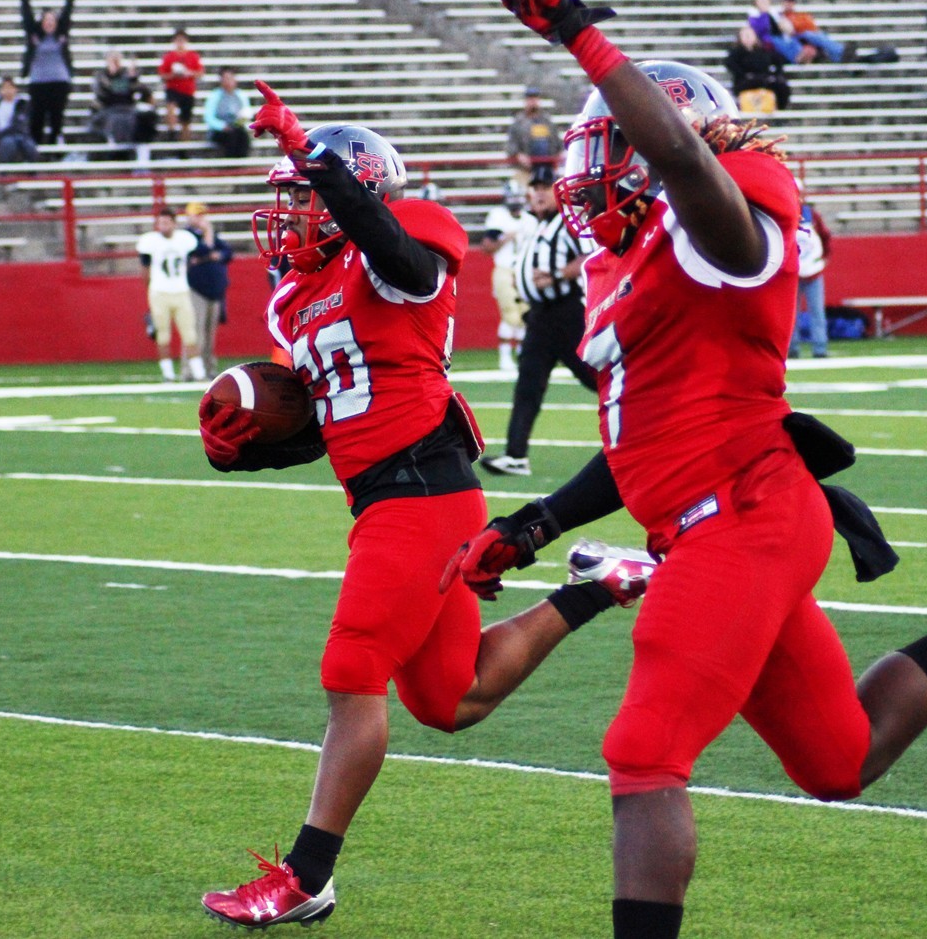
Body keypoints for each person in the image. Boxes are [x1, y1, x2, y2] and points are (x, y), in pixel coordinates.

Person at [466, 0, 927, 939]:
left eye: (611, 144)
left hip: (741, 517)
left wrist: (582, 33)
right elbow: (644, 443)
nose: (585, 168)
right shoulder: (624, 265)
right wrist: (531, 523)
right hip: (710, 515)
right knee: (840, 758)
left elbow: (691, 167)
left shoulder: (723, 228)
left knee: (642, 744)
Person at [197, 86, 639, 927]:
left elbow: (400, 259)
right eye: (286, 196)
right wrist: (246, 447)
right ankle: (597, 582)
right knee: (450, 695)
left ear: (346, 191)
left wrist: (316, 158)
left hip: (422, 490)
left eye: (301, 196)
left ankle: (305, 875)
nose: (287, 214)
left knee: (351, 669)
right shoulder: (293, 297)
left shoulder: (404, 246)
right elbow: (329, 423)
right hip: (390, 495)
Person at [481, 167, 598, 477]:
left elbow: (591, 256)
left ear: (557, 191)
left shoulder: (568, 223)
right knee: (527, 386)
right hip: (541, 316)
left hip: (565, 313)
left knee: (597, 377)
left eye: (546, 186)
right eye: (535, 187)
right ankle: (515, 455)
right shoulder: (535, 225)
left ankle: (645, 423)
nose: (539, 192)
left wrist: (558, 276)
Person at [136, 208, 204, 382]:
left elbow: (193, 259)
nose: (163, 226)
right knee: (162, 335)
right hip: (159, 292)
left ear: (174, 223)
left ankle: (199, 373)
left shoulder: (185, 239)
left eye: (166, 222)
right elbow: (145, 268)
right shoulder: (150, 241)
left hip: (181, 291)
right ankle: (168, 374)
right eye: (160, 223)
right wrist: (150, 289)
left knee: (190, 334)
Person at [481, 179, 536, 371]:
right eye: (512, 196)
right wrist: (505, 238)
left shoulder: (531, 219)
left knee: (524, 315)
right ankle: (505, 357)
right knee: (510, 314)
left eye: (518, 196)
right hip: (505, 269)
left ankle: (522, 354)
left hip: (525, 271)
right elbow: (487, 246)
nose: (515, 201)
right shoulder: (498, 216)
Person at [17, 0, 76, 146]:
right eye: (46, 20)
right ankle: (36, 146)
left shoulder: (61, 34)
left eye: (52, 20)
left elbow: (67, 13)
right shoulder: (34, 35)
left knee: (57, 114)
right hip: (38, 80)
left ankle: (55, 143)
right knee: (38, 115)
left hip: (59, 80)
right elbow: (26, 16)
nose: (50, 23)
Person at [184, 202, 233, 378]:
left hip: (215, 290)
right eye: (197, 215)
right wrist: (208, 235)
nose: (201, 219)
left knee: (209, 335)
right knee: (195, 333)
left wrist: (210, 254)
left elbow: (227, 252)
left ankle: (208, 369)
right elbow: (204, 248)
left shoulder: (208, 235)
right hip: (196, 289)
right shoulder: (187, 235)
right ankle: (190, 371)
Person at [791, 182, 831, 359]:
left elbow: (824, 235)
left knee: (817, 311)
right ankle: (791, 348)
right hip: (792, 272)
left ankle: (820, 348)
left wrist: (824, 257)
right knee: (791, 314)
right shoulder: (784, 212)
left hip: (812, 270)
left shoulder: (812, 215)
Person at [725, 24, 791, 113]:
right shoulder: (735, 53)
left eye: (750, 35)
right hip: (744, 81)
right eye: (745, 35)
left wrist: (775, 74)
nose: (748, 38)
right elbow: (731, 65)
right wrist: (744, 75)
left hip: (764, 79)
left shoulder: (764, 51)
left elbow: (778, 61)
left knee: (781, 85)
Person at [505, 84, 556, 189]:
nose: (533, 101)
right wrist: (519, 156)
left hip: (547, 170)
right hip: (526, 171)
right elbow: (511, 146)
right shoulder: (518, 122)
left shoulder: (546, 120)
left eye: (535, 98)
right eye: (530, 98)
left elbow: (556, 143)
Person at [777, 0, 850, 63]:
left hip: (806, 36)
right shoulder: (780, 16)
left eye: (791, 1)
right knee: (812, 35)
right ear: (783, 2)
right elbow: (790, 29)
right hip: (796, 39)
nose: (789, 3)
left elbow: (811, 25)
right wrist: (800, 26)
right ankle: (840, 51)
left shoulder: (799, 15)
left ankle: (839, 56)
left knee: (819, 34)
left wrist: (799, 26)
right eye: (787, 1)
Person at [89, 49, 143, 146]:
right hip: (108, 108)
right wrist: (116, 81)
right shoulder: (101, 75)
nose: (116, 63)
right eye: (113, 60)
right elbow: (104, 91)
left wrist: (133, 77)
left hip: (126, 108)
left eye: (117, 60)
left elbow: (135, 89)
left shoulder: (127, 75)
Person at [158, 28, 203, 143]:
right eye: (178, 40)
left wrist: (189, 73)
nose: (180, 43)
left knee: (186, 120)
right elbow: (162, 74)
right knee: (171, 106)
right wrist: (173, 75)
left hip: (187, 91)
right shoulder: (169, 57)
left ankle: (184, 146)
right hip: (173, 88)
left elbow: (200, 73)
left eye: (182, 40)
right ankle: (172, 130)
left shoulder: (193, 56)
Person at [202, 66, 253, 158]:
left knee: (242, 136)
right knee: (231, 136)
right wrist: (222, 126)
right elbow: (209, 117)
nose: (228, 81)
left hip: (237, 127)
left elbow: (246, 112)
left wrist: (241, 122)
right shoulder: (215, 96)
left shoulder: (241, 95)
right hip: (220, 131)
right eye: (225, 78)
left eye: (230, 78)